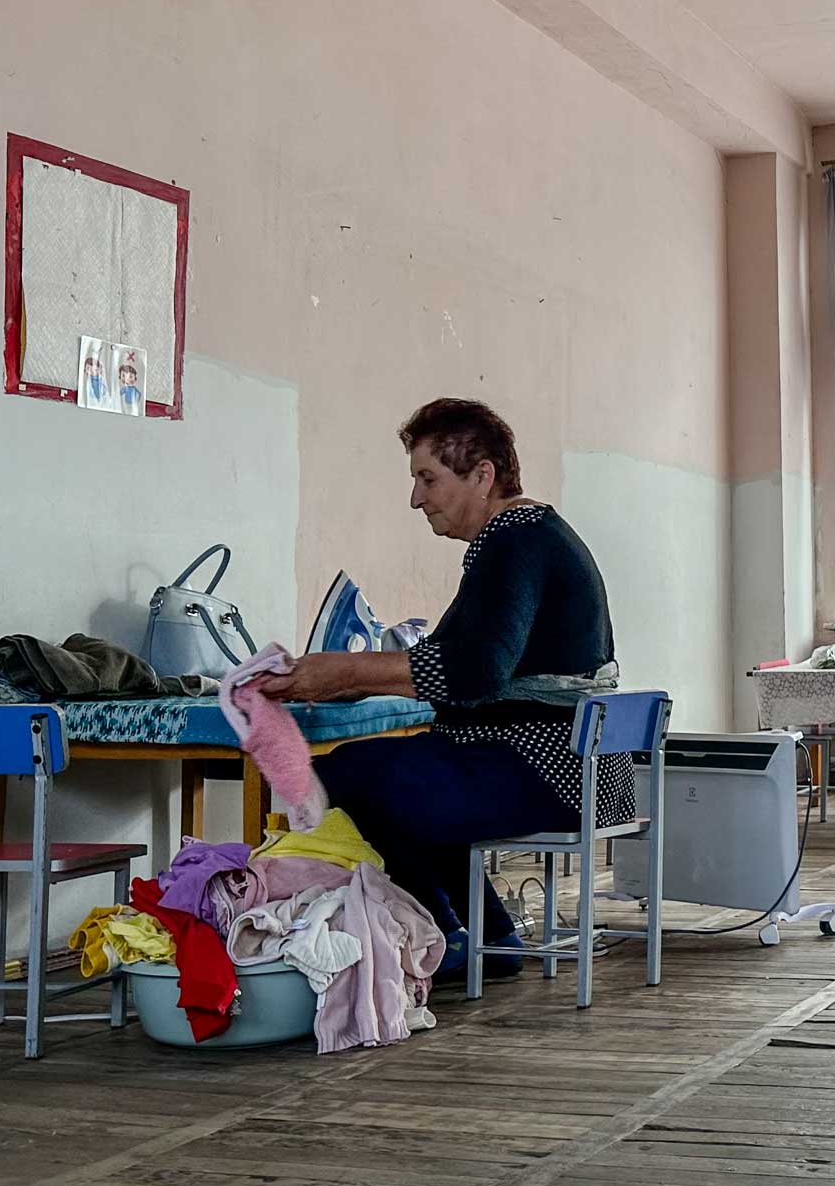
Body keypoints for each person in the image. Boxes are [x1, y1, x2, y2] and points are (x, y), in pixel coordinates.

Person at [260, 398, 628, 974]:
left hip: (551, 767)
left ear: (483, 475)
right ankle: (485, 936)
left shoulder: (515, 541)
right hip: (570, 763)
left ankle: (446, 934)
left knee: (352, 775)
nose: (416, 498)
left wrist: (349, 671)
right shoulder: (525, 538)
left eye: (427, 478)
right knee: (409, 768)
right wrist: (352, 684)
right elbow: (468, 666)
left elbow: (476, 671)